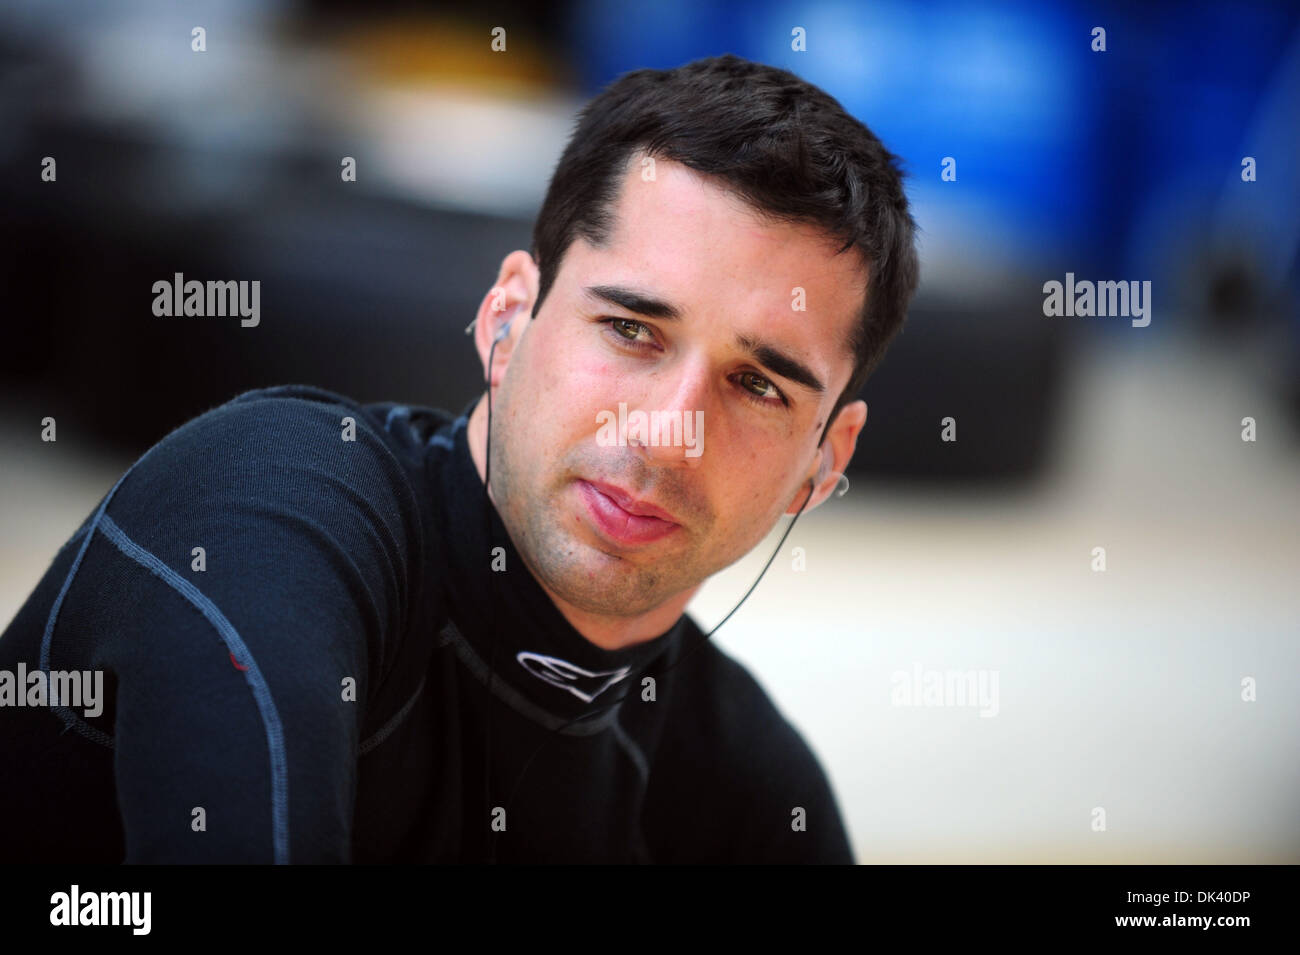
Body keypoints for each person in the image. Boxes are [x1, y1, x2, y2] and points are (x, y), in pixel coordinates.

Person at [0, 53, 918, 863]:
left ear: (823, 460)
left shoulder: (744, 797)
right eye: (633, 329)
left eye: (758, 385)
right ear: (507, 318)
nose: (667, 429)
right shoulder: (268, 513)